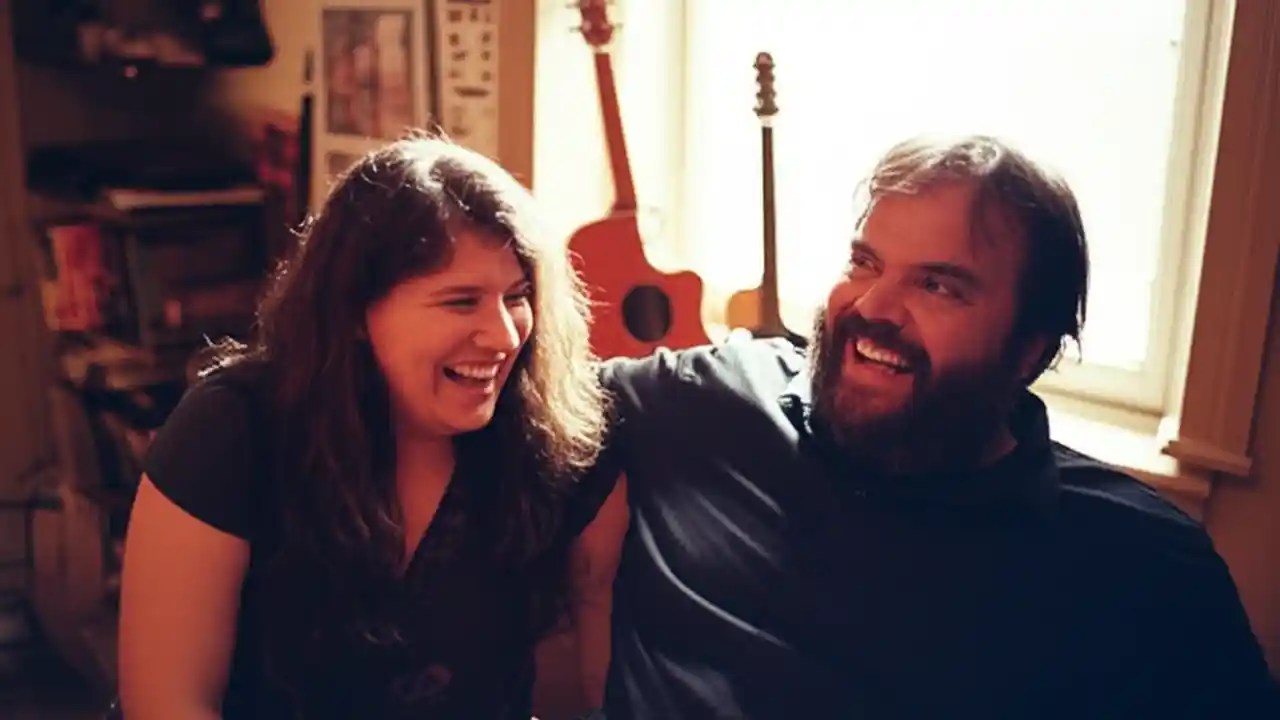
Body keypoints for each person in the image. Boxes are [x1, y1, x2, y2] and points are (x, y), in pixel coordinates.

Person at [592, 135, 1279, 718]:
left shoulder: (1145, 567)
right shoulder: (712, 400)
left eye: (939, 286)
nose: (874, 306)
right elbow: (516, 398)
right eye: (865, 262)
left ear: (1029, 351)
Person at [118, 135, 627, 720]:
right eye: (461, 302)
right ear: (356, 312)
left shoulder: (561, 446)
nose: (506, 335)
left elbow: (586, 690)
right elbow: (165, 702)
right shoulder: (233, 429)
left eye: (516, 296)